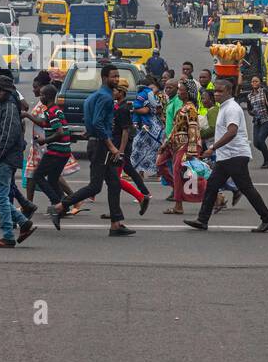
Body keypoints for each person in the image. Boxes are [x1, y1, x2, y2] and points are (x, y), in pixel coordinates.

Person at [183, 77, 268, 233]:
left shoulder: (231, 108)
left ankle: (267, 219)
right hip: (226, 156)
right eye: (215, 91)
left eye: (220, 91)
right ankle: (202, 220)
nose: (216, 94)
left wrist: (212, 148)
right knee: (212, 185)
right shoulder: (224, 107)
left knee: (246, 188)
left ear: (229, 91)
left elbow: (232, 132)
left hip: (235, 155)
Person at [54, 64, 133, 236]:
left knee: (114, 184)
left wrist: (90, 133)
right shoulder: (105, 98)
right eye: (114, 76)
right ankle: (61, 206)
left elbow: (90, 121)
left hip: (96, 142)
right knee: (95, 186)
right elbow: (98, 123)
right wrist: (112, 148)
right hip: (101, 146)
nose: (117, 79)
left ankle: (116, 223)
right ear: (104, 78)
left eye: (117, 76)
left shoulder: (94, 96)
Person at [0, 75, 36, 248]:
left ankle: (8, 235)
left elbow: (7, 137)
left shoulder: (9, 108)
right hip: (5, 158)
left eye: (0, 90)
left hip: (6, 159)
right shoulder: (5, 107)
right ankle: (23, 222)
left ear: (8, 92)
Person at [159, 79, 201, 215]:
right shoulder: (183, 108)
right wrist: (166, 144)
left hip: (186, 146)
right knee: (186, 175)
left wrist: (191, 151)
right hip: (178, 145)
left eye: (181, 89)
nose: (179, 91)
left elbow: (193, 130)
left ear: (188, 93)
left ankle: (178, 205)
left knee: (187, 174)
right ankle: (179, 204)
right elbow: (176, 129)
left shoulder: (191, 109)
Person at [111, 82, 151, 215]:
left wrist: (120, 151)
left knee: (114, 179)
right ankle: (143, 194)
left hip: (120, 146)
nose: (113, 93)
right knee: (125, 171)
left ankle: (141, 197)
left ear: (121, 92)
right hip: (119, 145)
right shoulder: (119, 106)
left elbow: (125, 131)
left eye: (115, 90)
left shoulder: (123, 108)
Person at [242, 74, 268, 168]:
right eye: (252, 81)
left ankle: (266, 161)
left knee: (261, 140)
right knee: (256, 143)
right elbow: (249, 109)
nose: (254, 83)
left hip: (267, 120)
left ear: (260, 83)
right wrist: (253, 113)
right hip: (257, 121)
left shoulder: (264, 92)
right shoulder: (249, 96)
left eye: (256, 81)